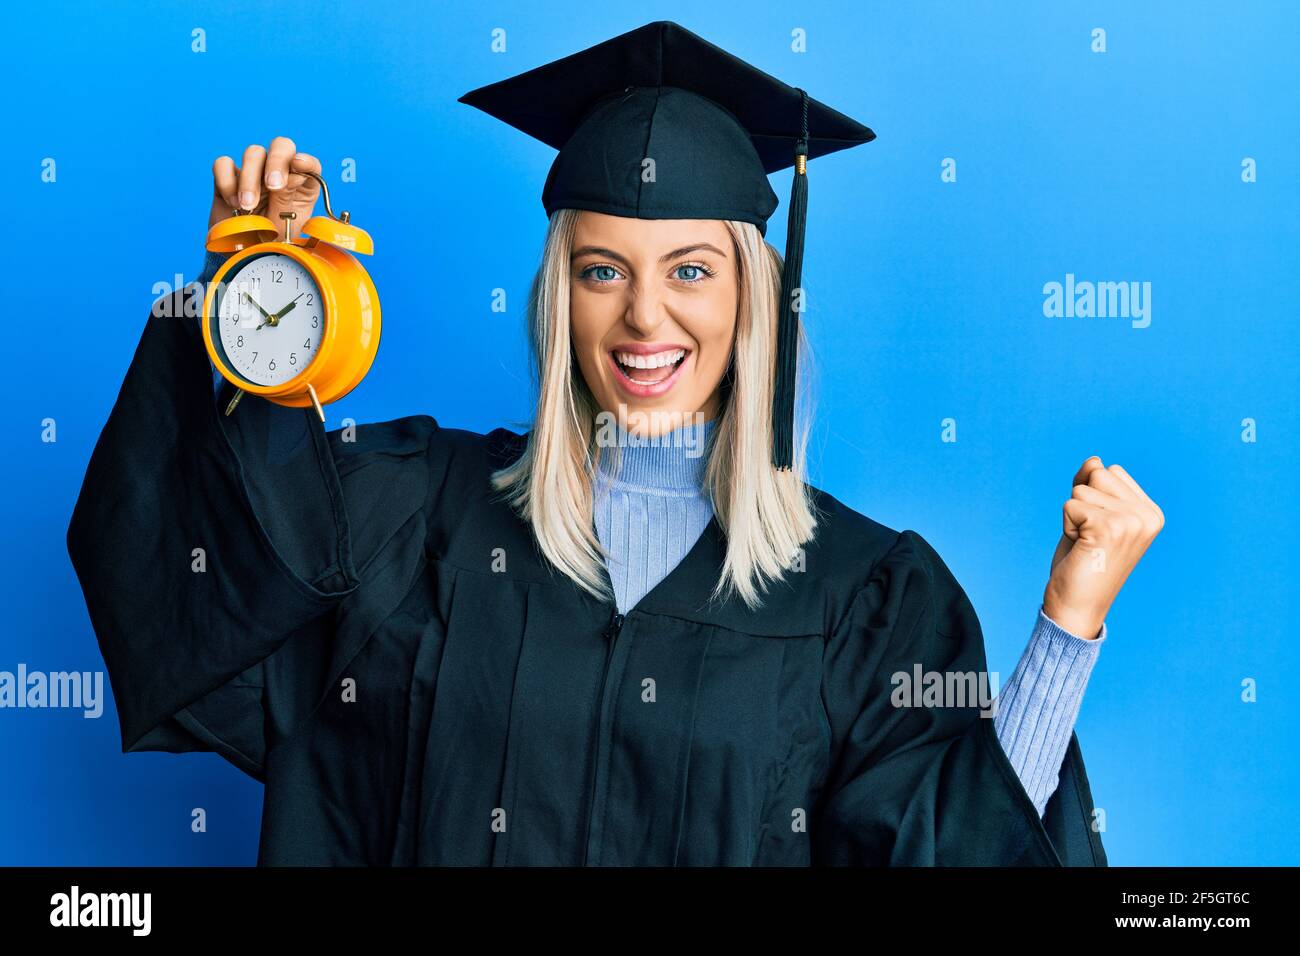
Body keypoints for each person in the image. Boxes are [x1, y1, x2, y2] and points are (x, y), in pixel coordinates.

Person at [66, 21, 1162, 866]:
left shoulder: (862, 598)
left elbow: (949, 851)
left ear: (756, 299)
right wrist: (258, 295)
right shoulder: (420, 517)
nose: (645, 318)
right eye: (603, 270)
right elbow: (206, 601)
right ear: (559, 294)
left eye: (691, 268)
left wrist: (1066, 624)